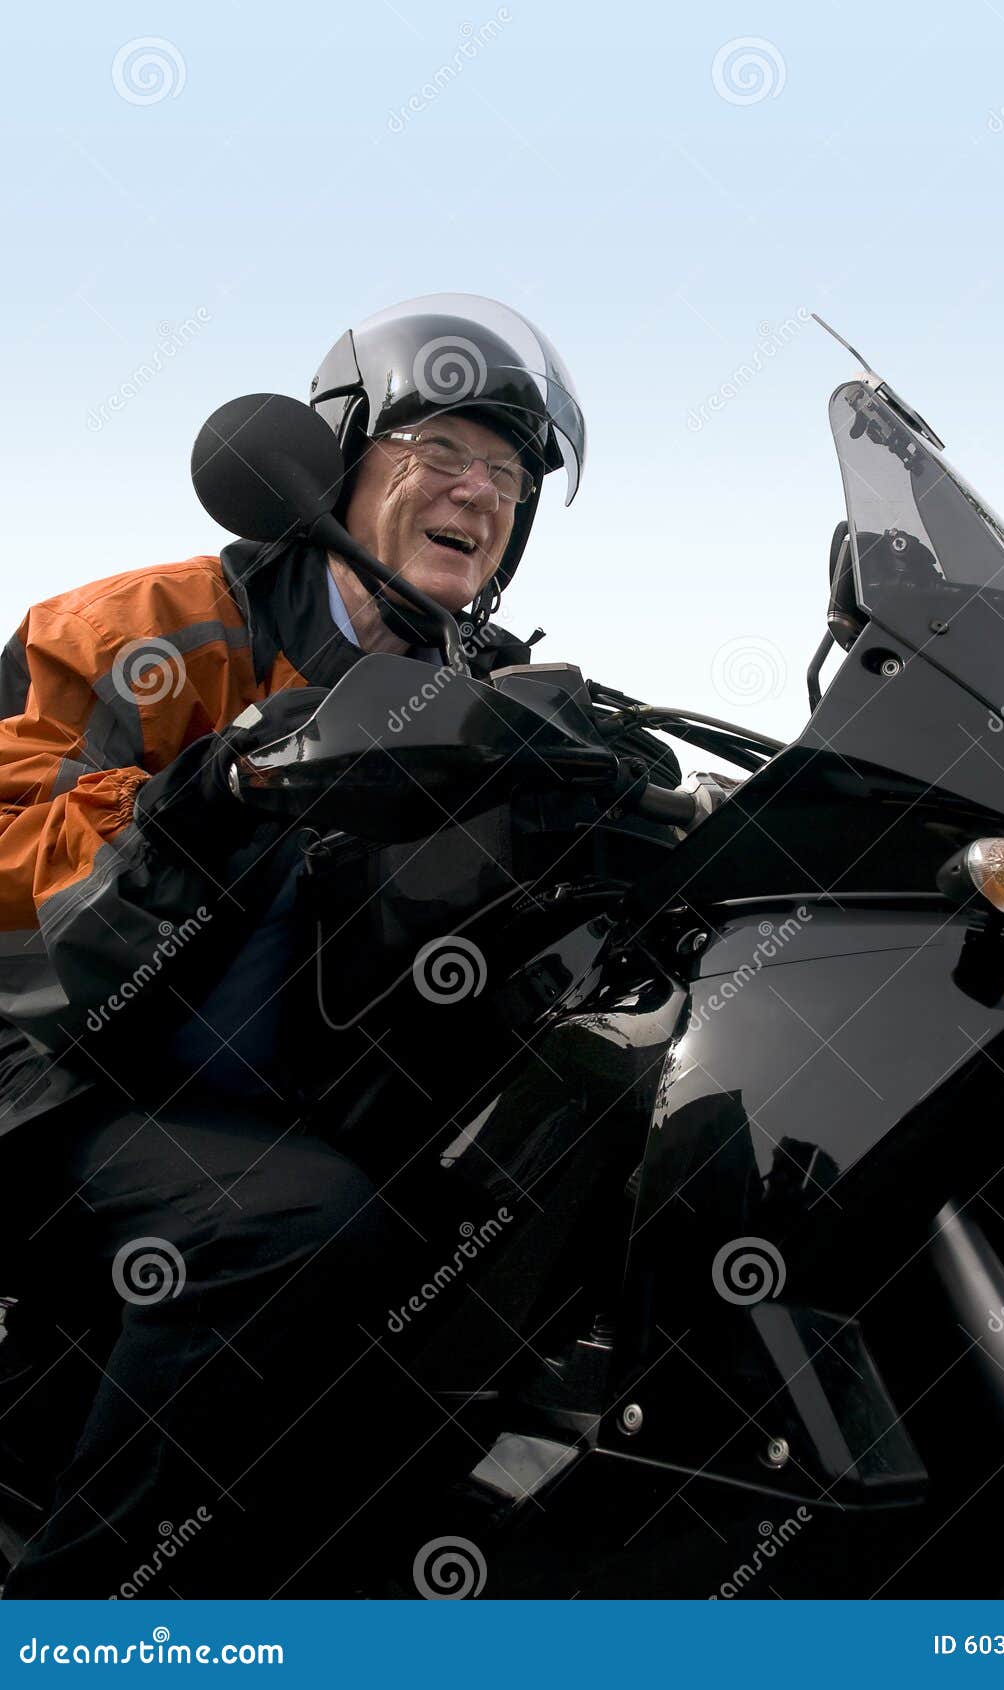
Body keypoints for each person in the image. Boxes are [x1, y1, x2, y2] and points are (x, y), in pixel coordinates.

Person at [0, 294, 677, 1596]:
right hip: (51, 1078)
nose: (479, 493)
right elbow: (12, 866)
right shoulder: (147, 627)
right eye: (442, 450)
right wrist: (205, 794)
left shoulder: (488, 701)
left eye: (508, 475)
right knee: (286, 1222)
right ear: (335, 465)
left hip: (281, 1113)